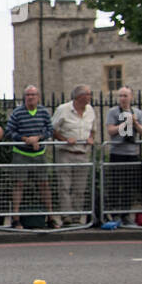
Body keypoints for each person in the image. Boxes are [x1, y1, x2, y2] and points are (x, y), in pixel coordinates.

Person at [5, 85, 57, 228]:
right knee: (18, 184)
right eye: (28, 95)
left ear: (38, 97)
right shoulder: (17, 112)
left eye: (33, 95)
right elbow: (9, 131)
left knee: (44, 184)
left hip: (39, 153)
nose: (30, 97)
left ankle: (50, 217)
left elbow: (50, 130)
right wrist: (25, 139)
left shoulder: (43, 112)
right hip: (21, 153)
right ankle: (15, 218)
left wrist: (38, 138)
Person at [51, 85, 96, 225]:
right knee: (64, 186)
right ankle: (66, 215)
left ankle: (77, 215)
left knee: (80, 187)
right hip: (66, 152)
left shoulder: (90, 110)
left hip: (83, 153)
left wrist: (91, 138)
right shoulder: (63, 109)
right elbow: (52, 129)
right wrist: (64, 139)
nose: (90, 97)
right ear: (79, 96)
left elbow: (93, 129)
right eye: (88, 94)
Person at [105, 86, 142, 226]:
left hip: (132, 153)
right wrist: (124, 123)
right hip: (117, 153)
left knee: (129, 185)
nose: (122, 98)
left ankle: (126, 214)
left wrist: (135, 122)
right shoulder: (113, 112)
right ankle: (115, 213)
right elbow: (110, 130)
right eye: (120, 96)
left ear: (131, 97)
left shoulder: (137, 112)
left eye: (125, 96)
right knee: (115, 184)